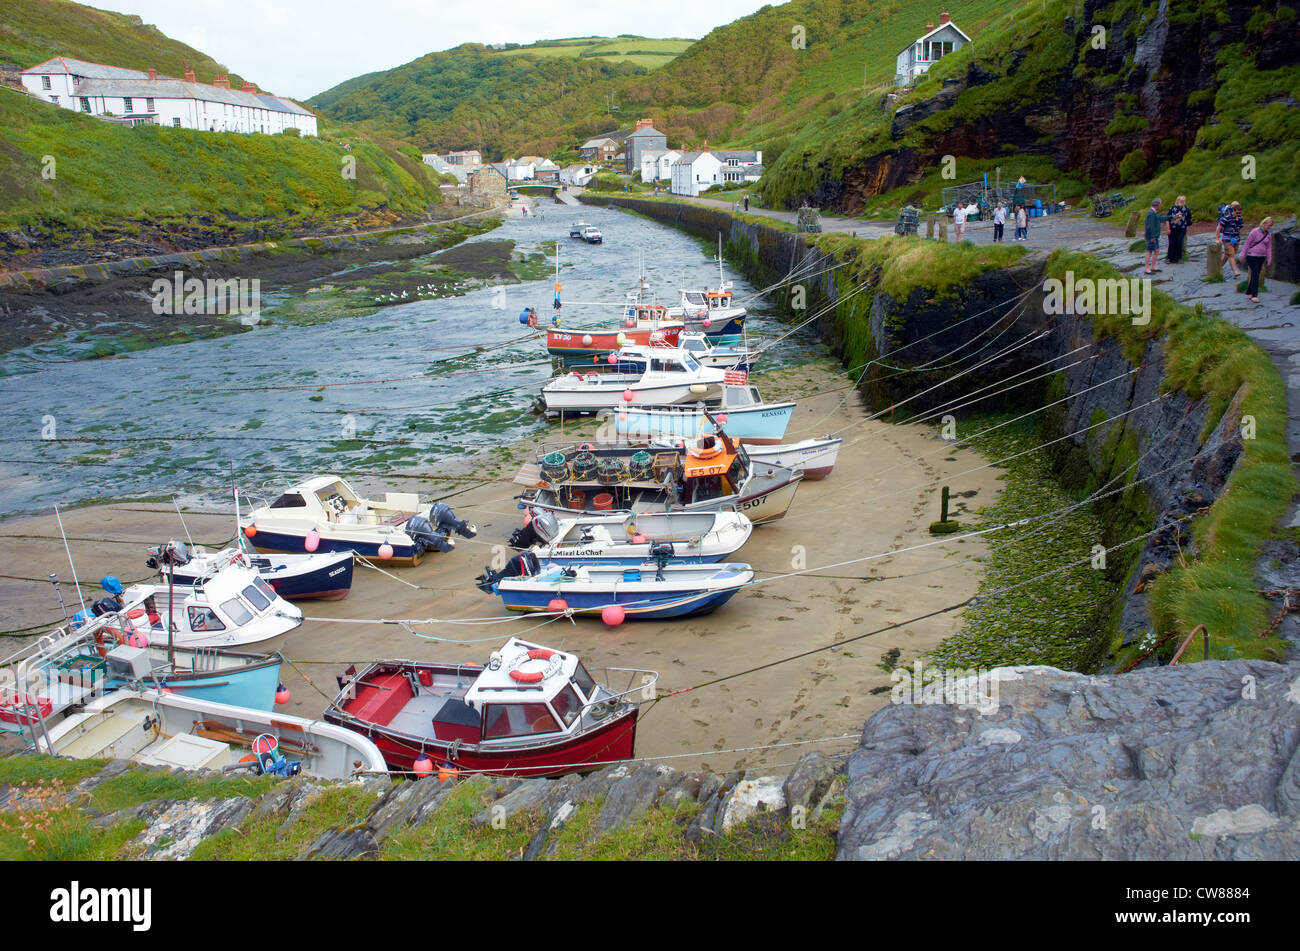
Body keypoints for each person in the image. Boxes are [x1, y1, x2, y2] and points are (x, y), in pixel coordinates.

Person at [1241, 217, 1274, 303]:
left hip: (1261, 257)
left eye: (1271, 226)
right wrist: (1242, 255)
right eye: (1268, 225)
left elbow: (1269, 247)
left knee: (1256, 274)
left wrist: (1269, 258)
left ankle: (1249, 292)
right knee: (1255, 273)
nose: (1269, 227)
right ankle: (1254, 295)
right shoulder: (1254, 232)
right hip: (1252, 256)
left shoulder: (1269, 235)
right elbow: (1247, 243)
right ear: (1264, 223)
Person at [1215, 201, 1245, 277]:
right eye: (1237, 213)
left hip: (1235, 239)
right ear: (1233, 210)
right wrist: (1217, 238)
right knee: (1231, 255)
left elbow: (1241, 228)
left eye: (1240, 213)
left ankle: (1218, 267)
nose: (1238, 214)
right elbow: (1219, 227)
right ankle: (1235, 271)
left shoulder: (1240, 219)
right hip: (1227, 239)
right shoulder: (1227, 218)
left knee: (1227, 254)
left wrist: (1239, 237)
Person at [1143, 198, 1169, 274]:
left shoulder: (1153, 213)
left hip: (1155, 236)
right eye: (1160, 204)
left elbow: (1160, 219)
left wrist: (1171, 217)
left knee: (1156, 250)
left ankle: (1153, 267)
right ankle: (1147, 269)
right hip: (1152, 236)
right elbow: (1149, 226)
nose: (1161, 205)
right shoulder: (1151, 213)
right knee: (1149, 251)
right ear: (1158, 205)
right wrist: (1153, 236)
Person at [1166, 196, 1191, 263]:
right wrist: (1168, 228)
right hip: (1173, 228)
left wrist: (1185, 221)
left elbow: (1189, 217)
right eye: (1182, 201)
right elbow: (1167, 218)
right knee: (1171, 242)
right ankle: (1169, 258)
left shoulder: (1186, 208)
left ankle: (1179, 258)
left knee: (1179, 241)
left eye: (1184, 201)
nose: (1183, 202)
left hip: (1182, 228)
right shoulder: (1172, 208)